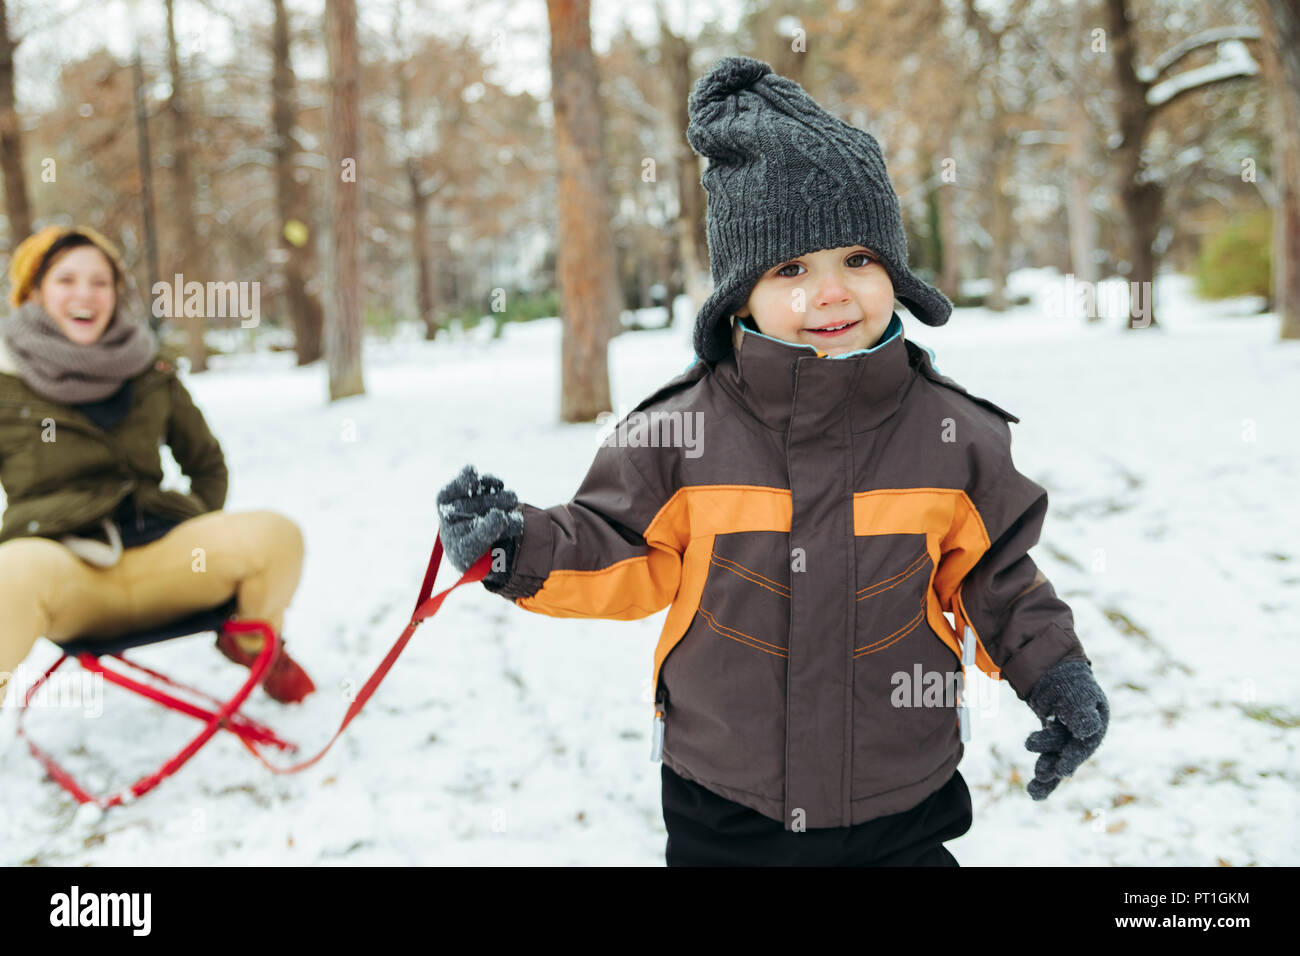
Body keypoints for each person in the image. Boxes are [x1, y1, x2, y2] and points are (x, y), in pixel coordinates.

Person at [435, 56, 1108, 866]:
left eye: (857, 260)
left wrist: (1055, 673)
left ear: (893, 271)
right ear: (739, 295)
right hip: (727, 803)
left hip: (900, 802)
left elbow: (997, 579)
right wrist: (517, 548)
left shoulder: (952, 435)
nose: (830, 293)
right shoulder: (679, 434)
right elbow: (615, 546)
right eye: (792, 270)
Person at [0, 224, 314, 707]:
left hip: (163, 555)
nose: (85, 293)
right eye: (66, 280)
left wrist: (191, 524)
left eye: (100, 281)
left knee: (276, 534)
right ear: (34, 290)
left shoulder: (149, 368)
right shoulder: (5, 380)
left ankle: (253, 646)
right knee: (8, 575)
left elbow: (207, 465)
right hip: (64, 572)